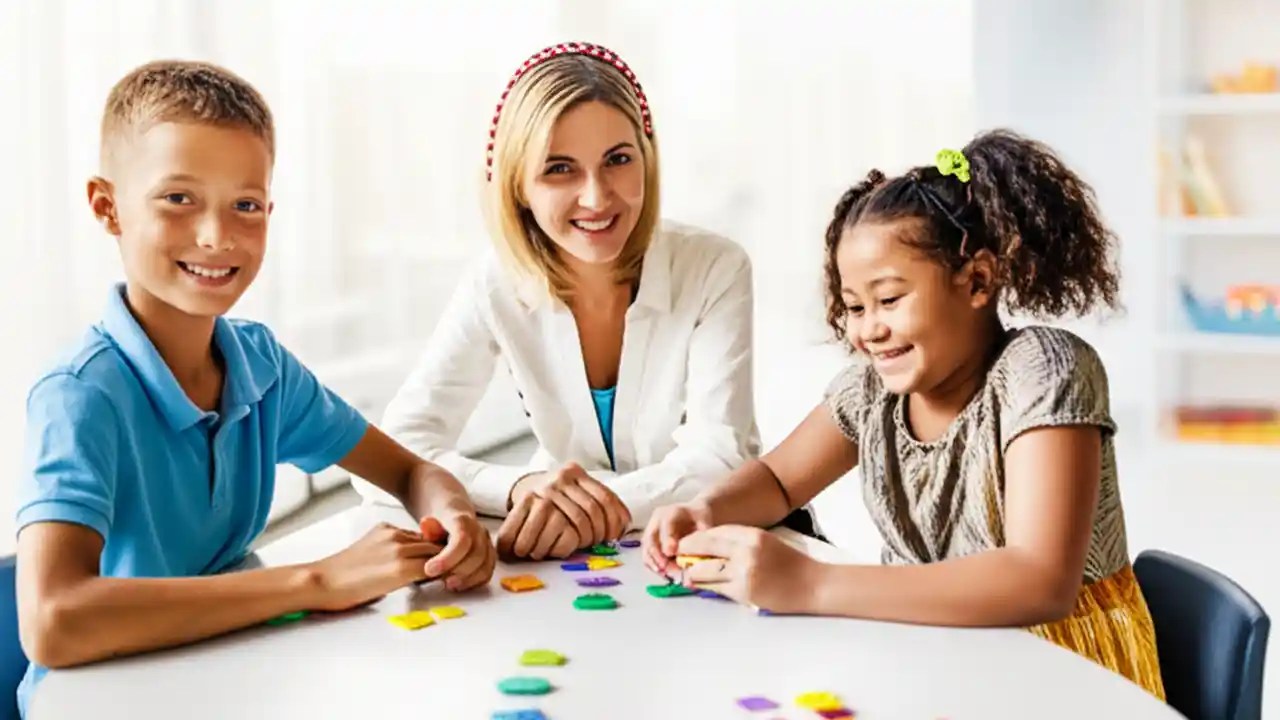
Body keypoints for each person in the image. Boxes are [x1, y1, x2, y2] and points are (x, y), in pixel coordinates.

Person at [15, 60, 495, 717]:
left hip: (233, 679)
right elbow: (53, 620)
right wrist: (317, 581)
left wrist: (454, 521)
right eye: (178, 199)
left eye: (245, 205)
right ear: (108, 207)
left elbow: (410, 472)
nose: (216, 236)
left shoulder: (259, 364)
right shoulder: (79, 394)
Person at [643, 130, 1165, 699]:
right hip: (944, 656)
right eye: (855, 306)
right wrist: (704, 509)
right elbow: (776, 480)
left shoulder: (1043, 371)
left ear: (977, 281)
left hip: (1064, 673)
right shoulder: (871, 392)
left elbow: (1039, 581)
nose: (869, 328)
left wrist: (812, 583)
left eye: (890, 300)